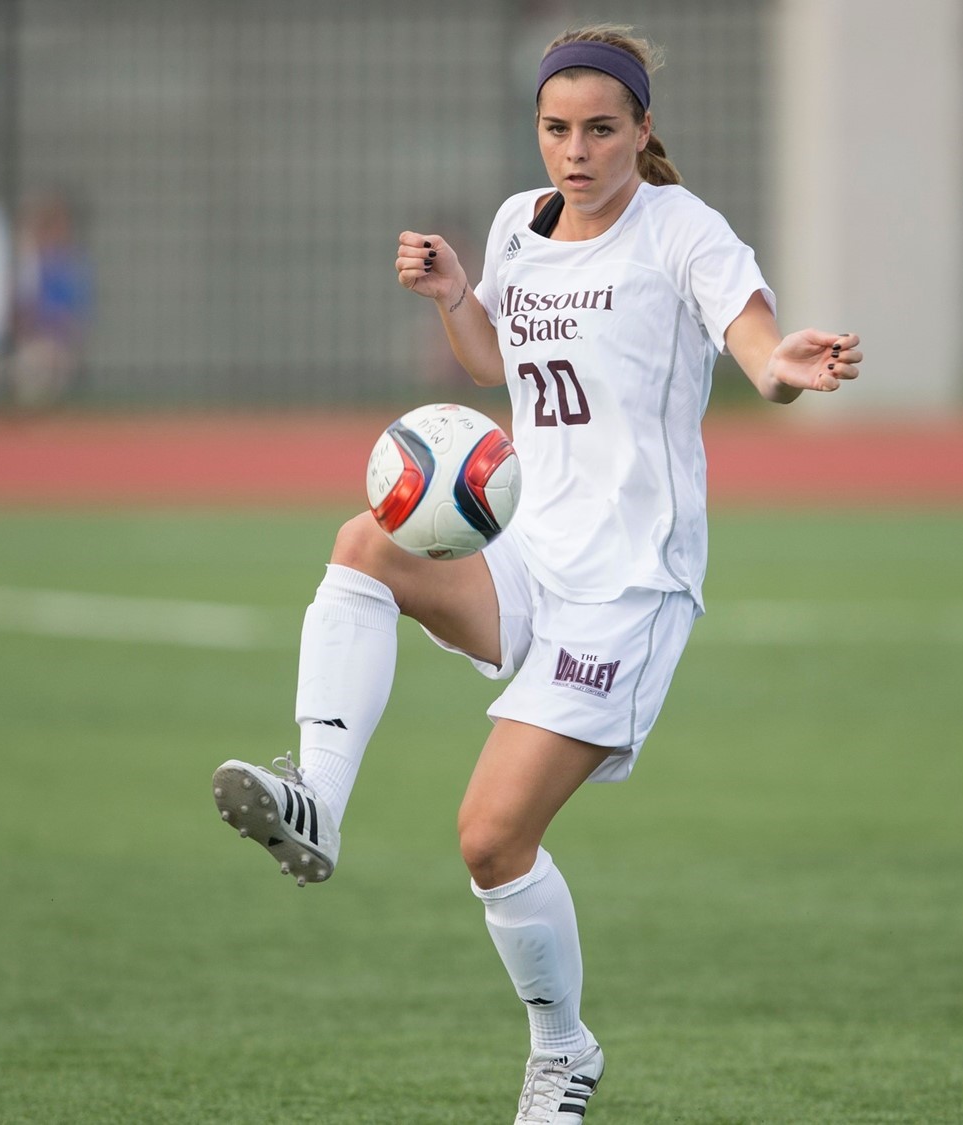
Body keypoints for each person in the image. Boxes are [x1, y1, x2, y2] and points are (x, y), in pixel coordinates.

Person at [213, 23, 860, 1123]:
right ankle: (315, 802)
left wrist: (781, 367)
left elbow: (754, 346)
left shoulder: (682, 233)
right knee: (364, 541)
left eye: (601, 130)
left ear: (642, 130)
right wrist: (459, 297)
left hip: (626, 591)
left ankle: (562, 1053)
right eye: (557, 130)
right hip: (529, 556)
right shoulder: (521, 221)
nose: (576, 151)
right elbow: (496, 361)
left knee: (489, 838)